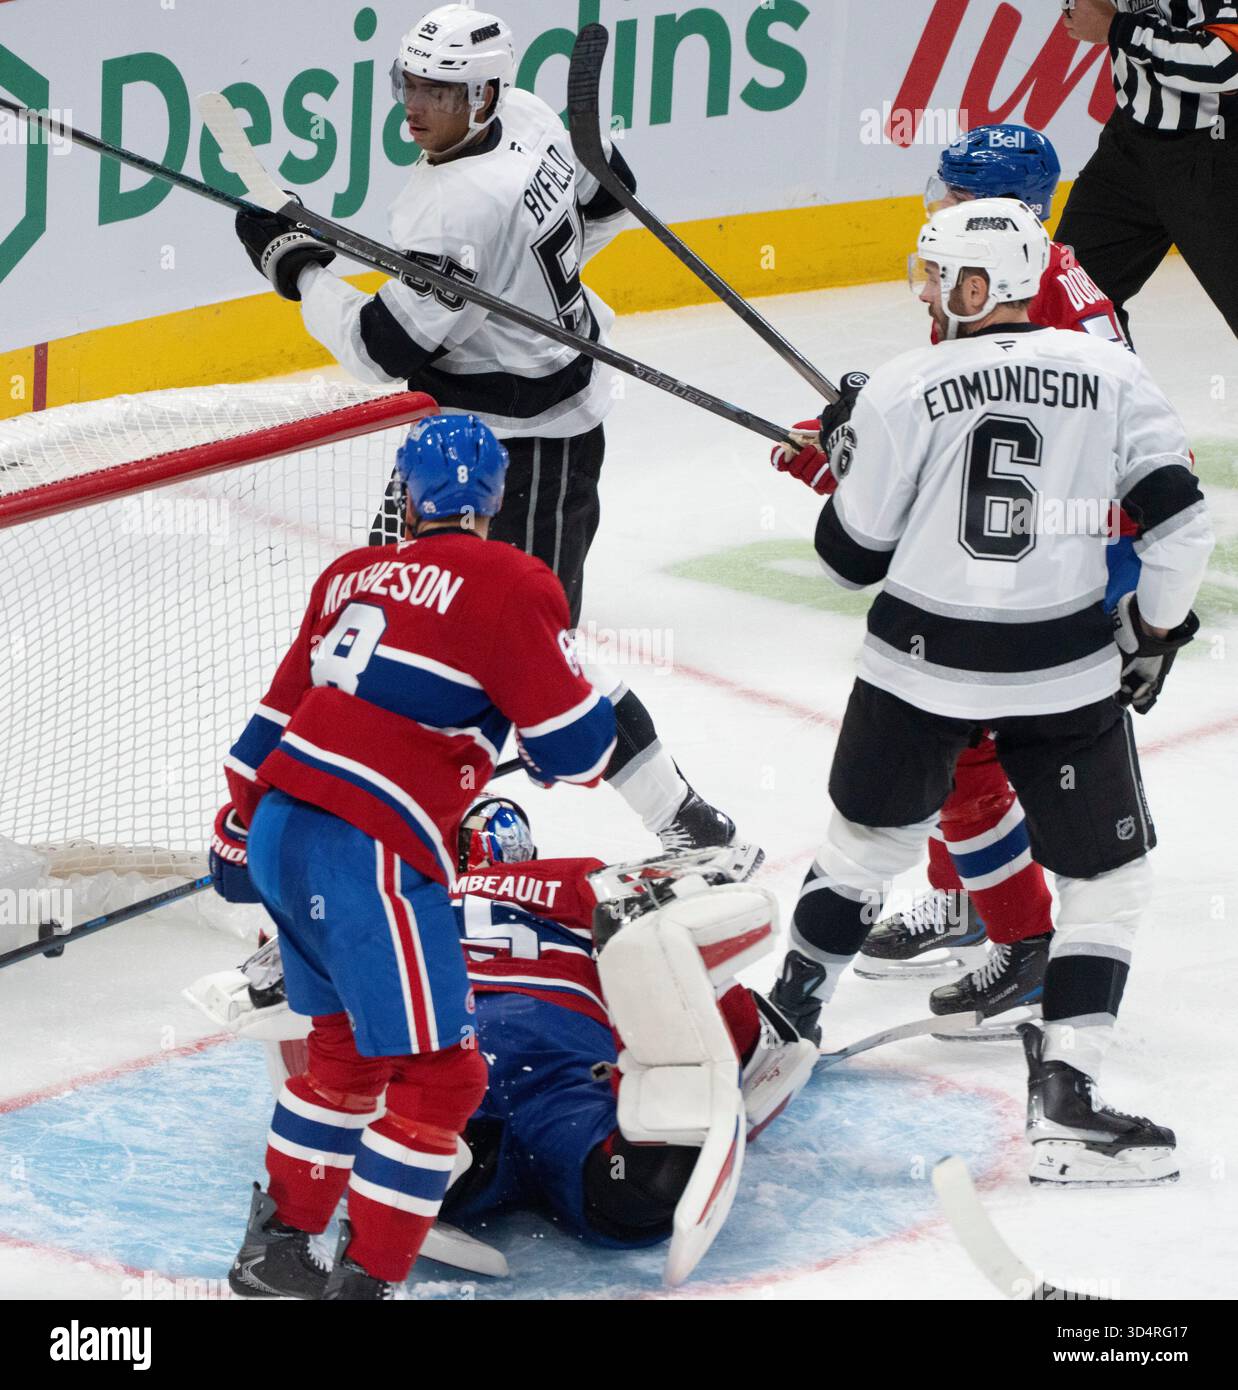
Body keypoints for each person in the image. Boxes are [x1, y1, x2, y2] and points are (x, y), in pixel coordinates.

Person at [767, 199, 1212, 1185]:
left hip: (915, 659)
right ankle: (1066, 1102)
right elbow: (1181, 527)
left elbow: (850, 558)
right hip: (1055, 665)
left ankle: (781, 1028)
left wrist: (844, 470)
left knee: (856, 854)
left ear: (976, 288)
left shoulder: (902, 384)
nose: (921, 293)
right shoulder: (1110, 374)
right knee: (1105, 885)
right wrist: (1147, 631)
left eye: (933, 276)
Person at [230, 4, 745, 857]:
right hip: (471, 433)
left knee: (525, 648)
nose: (416, 105)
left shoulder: (454, 206)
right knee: (397, 617)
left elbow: (379, 347)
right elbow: (610, 204)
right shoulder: (533, 115)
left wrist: (297, 267)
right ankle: (388, 812)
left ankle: (678, 818)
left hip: (526, 448)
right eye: (411, 83)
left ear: (484, 93)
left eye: (441, 90)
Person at [212, 413, 618, 1298]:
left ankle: (276, 1253)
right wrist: (578, 717)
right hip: (373, 842)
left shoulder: (349, 575)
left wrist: (236, 828)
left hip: (284, 821)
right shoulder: (513, 580)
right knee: (446, 1077)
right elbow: (580, 751)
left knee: (347, 1053)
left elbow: (268, 726)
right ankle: (368, 1281)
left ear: (406, 493)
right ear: (498, 498)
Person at [773, 126, 1130, 1036]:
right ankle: (976, 905)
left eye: (953, 198)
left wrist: (860, 478)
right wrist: (867, 438)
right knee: (955, 748)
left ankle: (1021, 940)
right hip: (1020, 554)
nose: (934, 209)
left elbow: (1053, 481)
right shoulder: (999, 271)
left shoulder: (1067, 317)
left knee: (960, 746)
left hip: (1056, 571)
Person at [194, 798, 814, 1287]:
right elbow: (680, 959)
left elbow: (294, 990)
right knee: (639, 1190)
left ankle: (434, 1162)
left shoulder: (408, 897)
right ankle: (638, 1142)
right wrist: (733, 1053)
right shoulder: (582, 881)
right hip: (573, 1071)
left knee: (426, 1133)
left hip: (450, 1056)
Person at [1057, 0, 1238, 341]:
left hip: (1221, 154)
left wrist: (1116, 28)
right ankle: (1113, 394)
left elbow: (1227, 64)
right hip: (1130, 147)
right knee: (1069, 300)